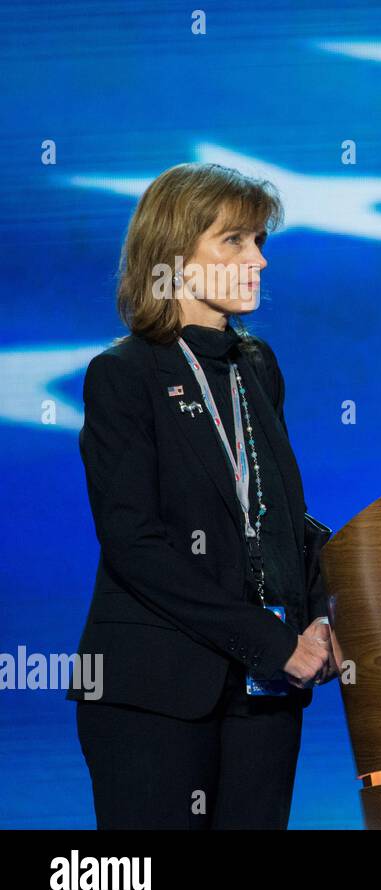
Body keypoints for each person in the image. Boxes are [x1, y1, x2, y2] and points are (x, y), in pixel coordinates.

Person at [70, 163, 337, 829]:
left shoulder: (256, 366)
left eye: (260, 241)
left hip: (262, 696)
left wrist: (325, 614)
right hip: (156, 694)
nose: (259, 261)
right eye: (235, 241)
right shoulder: (122, 375)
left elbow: (274, 518)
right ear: (172, 255)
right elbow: (135, 544)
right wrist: (271, 640)